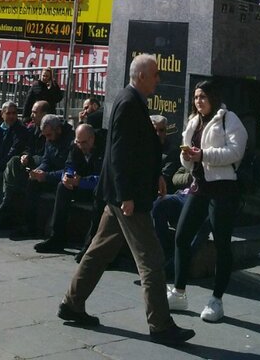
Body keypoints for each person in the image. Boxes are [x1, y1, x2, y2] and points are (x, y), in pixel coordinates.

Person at [57, 53, 194, 345]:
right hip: (128, 199)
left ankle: (72, 303)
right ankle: (161, 325)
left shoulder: (131, 101)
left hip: (120, 195)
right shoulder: (129, 103)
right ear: (141, 76)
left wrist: (154, 175)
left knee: (100, 251)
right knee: (152, 260)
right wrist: (126, 196)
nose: (159, 78)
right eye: (155, 74)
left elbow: (136, 151)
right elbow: (118, 154)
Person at [164, 80, 248, 323]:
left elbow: (236, 152)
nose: (198, 101)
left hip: (223, 188)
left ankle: (217, 299)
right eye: (196, 97)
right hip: (199, 186)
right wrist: (187, 155)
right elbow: (187, 161)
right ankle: (179, 291)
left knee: (222, 242)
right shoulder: (194, 121)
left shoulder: (228, 119)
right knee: (181, 235)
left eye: (202, 96)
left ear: (213, 97)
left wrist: (203, 155)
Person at [34, 123, 103, 253]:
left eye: (84, 143)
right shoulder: (75, 146)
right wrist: (67, 176)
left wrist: (82, 182)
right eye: (78, 142)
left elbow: (104, 177)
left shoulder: (104, 149)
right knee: (62, 188)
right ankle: (56, 237)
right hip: (79, 184)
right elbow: (69, 164)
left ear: (92, 139)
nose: (81, 146)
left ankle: (89, 245)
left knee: (99, 194)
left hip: (96, 187)